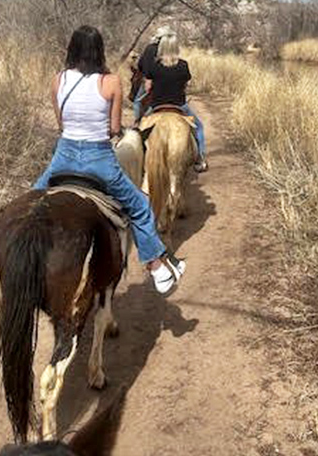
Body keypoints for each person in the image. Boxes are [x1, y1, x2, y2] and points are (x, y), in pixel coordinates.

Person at [33, 25, 185, 295]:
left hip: (63, 157)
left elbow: (61, 123)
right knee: (140, 205)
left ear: (72, 49)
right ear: (99, 51)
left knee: (31, 203)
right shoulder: (111, 81)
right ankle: (156, 267)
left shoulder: (58, 80)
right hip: (98, 160)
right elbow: (114, 129)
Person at [144, 30, 208, 172]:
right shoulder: (183, 65)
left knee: (139, 128)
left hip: (157, 106)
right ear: (175, 47)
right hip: (179, 106)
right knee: (199, 127)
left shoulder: (154, 66)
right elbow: (185, 84)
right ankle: (200, 158)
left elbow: (148, 87)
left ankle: (140, 156)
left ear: (161, 48)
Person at [131, 25, 173, 121]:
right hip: (166, 83)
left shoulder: (149, 48)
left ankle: (138, 123)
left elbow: (140, 65)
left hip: (148, 81)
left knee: (137, 102)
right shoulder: (170, 51)